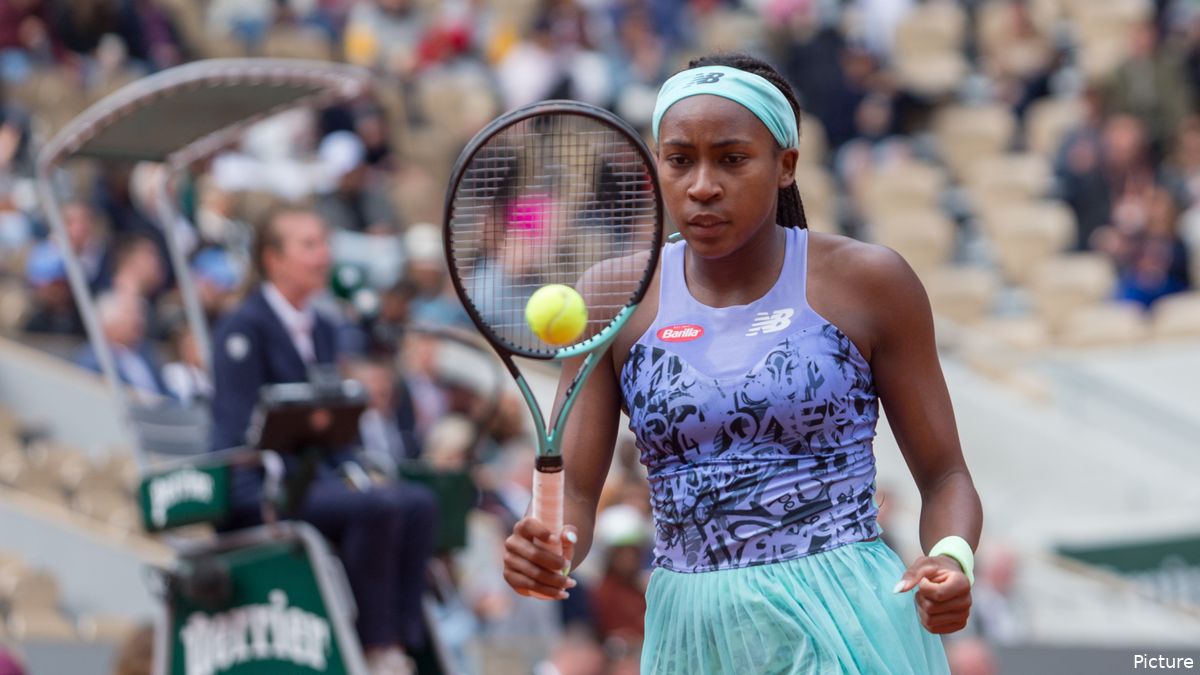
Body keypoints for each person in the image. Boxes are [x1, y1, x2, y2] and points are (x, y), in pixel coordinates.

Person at [502, 53, 982, 673]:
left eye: (731, 159)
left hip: (852, 620)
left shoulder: (869, 281)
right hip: (691, 633)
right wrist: (547, 548)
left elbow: (946, 478)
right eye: (680, 160)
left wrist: (951, 558)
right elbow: (574, 494)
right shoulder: (612, 296)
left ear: (786, 166)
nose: (702, 184)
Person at [209, 205, 436, 675]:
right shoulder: (243, 327)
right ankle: (376, 647)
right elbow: (236, 432)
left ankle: (405, 642)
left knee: (418, 502)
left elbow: (330, 423)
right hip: (266, 492)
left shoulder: (328, 326)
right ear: (273, 259)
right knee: (379, 507)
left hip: (320, 480)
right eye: (308, 245)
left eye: (324, 243)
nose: (322, 255)